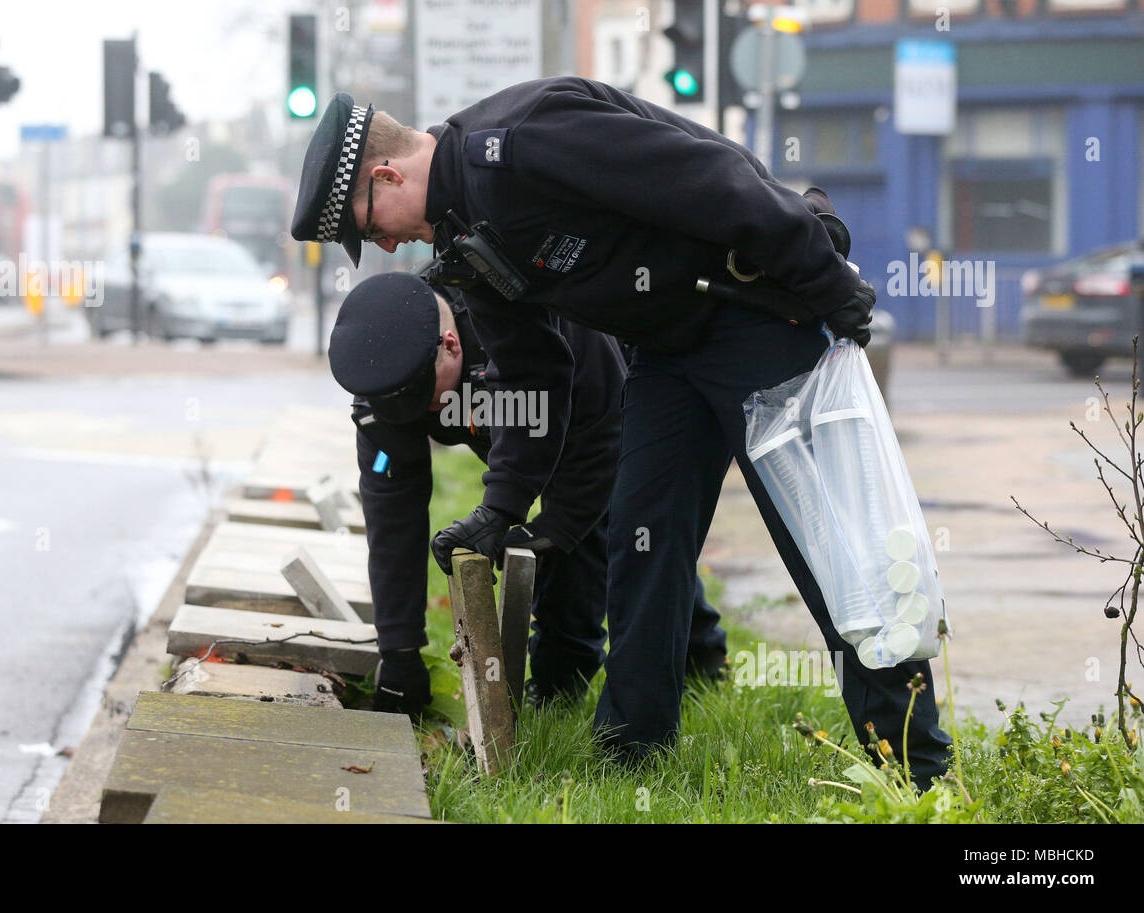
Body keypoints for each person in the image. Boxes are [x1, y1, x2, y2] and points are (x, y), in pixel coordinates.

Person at [290, 81, 951, 790]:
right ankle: (632, 756)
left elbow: (707, 175)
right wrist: (502, 509)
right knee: (642, 549)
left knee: (829, 545)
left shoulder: (521, 140)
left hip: (753, 315)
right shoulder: (463, 238)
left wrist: (822, 278)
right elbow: (536, 373)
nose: (386, 243)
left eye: (372, 225)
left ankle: (914, 773)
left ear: (385, 174)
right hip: (664, 354)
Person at [323, 269, 728, 718]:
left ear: (452, 346)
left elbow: (598, 449)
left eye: (432, 402)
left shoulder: (524, 318)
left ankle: (604, 676)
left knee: (618, 525)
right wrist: (399, 652)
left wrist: (548, 533)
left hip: (606, 406)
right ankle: (668, 659)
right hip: (530, 421)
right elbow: (392, 520)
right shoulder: (387, 382)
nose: (429, 418)